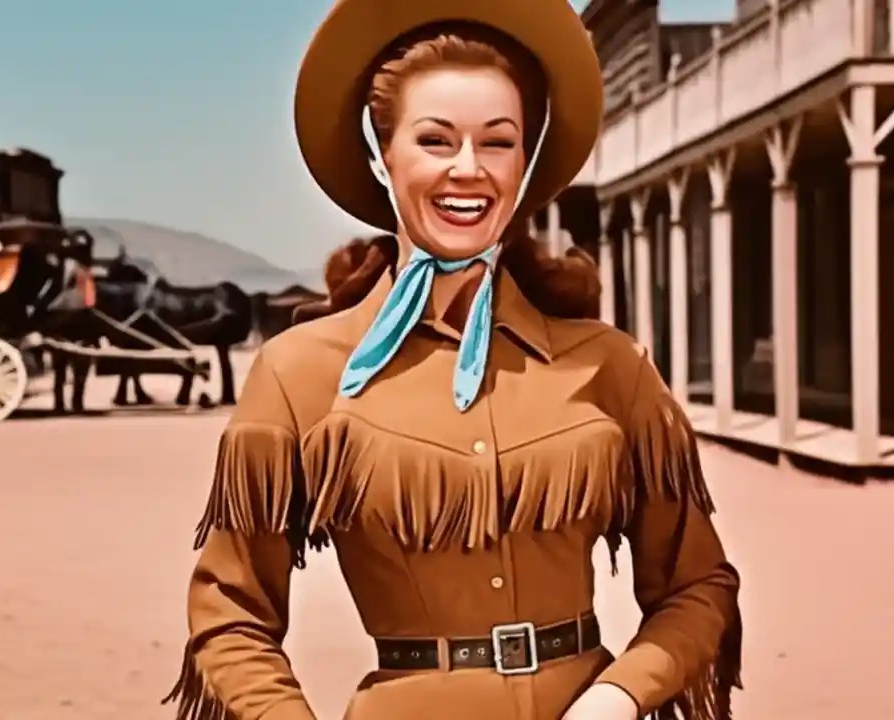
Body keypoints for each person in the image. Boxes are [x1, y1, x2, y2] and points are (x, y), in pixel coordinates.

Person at [163, 1, 742, 718]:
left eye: (498, 142)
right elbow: (230, 615)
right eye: (435, 140)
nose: (468, 169)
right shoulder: (299, 371)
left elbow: (698, 585)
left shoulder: (609, 365)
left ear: (525, 164)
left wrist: (619, 698)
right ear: (380, 157)